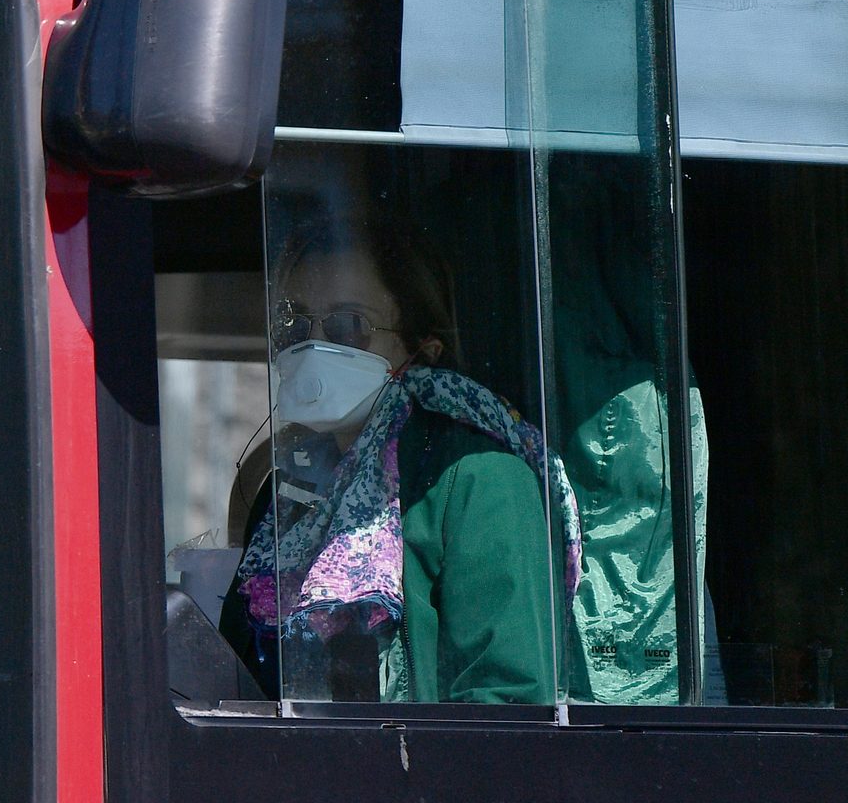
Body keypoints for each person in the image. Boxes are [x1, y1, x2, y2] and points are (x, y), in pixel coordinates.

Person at [219, 199, 579, 705]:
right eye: (295, 324)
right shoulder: (285, 494)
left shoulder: (476, 479)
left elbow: (507, 705)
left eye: (348, 323)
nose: (313, 344)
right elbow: (235, 677)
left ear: (422, 347)